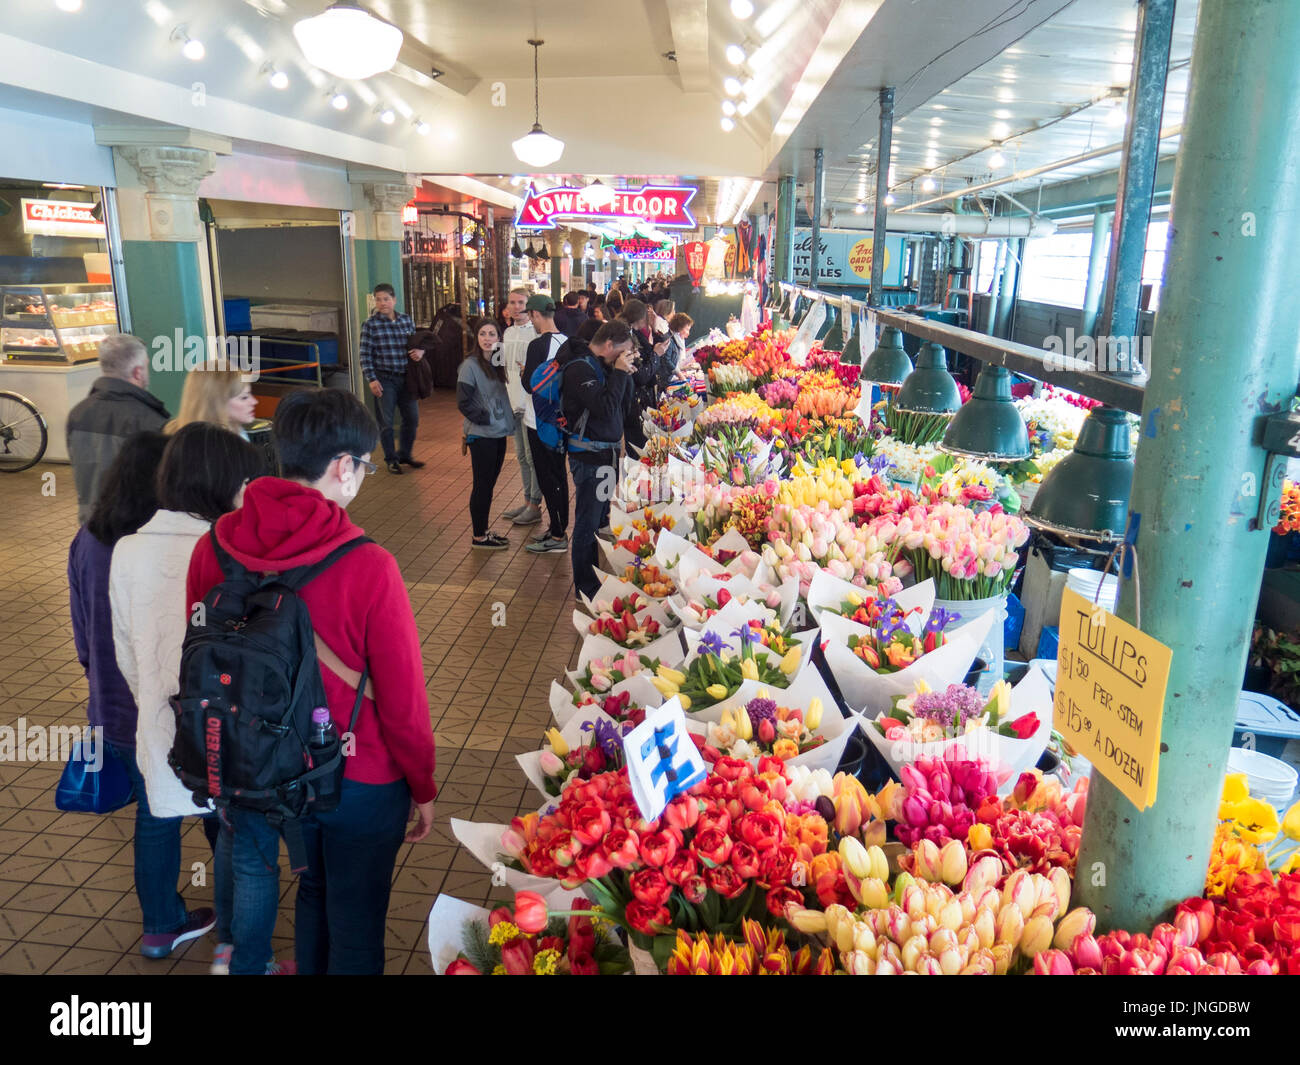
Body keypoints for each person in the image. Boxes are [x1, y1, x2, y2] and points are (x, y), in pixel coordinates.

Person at [186, 388, 437, 976]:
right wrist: (421, 785)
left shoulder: (213, 546)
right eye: (364, 466)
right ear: (341, 466)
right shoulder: (369, 564)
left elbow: (201, 653)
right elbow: (403, 700)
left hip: (258, 764)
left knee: (310, 890)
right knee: (353, 917)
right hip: (359, 775)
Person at [110, 423, 264, 974]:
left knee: (157, 814)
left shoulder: (126, 550)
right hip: (225, 720)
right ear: (222, 481)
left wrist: (151, 695)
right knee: (231, 828)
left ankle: (158, 929)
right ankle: (231, 943)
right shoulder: (228, 549)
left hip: (156, 715)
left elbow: (124, 643)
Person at [69, 431, 219, 959]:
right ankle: (241, 914)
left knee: (155, 817)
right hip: (173, 713)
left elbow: (84, 637)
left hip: (110, 709)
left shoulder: (89, 539)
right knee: (217, 811)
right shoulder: (173, 546)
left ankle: (160, 925)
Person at [559, 320, 634, 600]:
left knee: (598, 520)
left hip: (607, 455)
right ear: (609, 345)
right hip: (589, 457)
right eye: (623, 351)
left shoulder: (604, 366)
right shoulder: (580, 368)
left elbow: (621, 409)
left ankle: (592, 581)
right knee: (587, 522)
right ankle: (585, 588)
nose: (623, 357)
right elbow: (603, 409)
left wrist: (625, 375)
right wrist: (618, 374)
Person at [67, 334, 170, 524]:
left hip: (91, 524)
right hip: (135, 527)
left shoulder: (77, 413)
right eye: (147, 365)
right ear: (138, 372)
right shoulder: (151, 420)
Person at [457, 318, 517, 549]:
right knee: (482, 486)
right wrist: (487, 418)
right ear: (476, 337)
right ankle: (479, 536)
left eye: (492, 334)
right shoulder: (469, 366)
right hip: (482, 435)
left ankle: (483, 531)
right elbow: (463, 402)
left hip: (498, 433)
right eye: (483, 334)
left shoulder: (497, 362)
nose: (487, 338)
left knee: (488, 485)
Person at [520, 297, 570, 554]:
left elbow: (529, 384)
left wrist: (522, 373)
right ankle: (556, 527)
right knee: (558, 475)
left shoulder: (538, 345)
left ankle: (559, 536)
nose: (532, 322)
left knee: (548, 478)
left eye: (531, 317)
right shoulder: (568, 342)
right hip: (561, 422)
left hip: (538, 422)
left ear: (536, 314)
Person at [359, 282, 425, 475]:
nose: (382, 303)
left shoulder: (406, 321)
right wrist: (371, 379)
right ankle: (391, 459)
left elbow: (417, 344)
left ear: (394, 300)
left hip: (406, 379)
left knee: (412, 418)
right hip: (384, 378)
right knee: (386, 421)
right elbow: (365, 355)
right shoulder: (370, 325)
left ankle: (405, 453)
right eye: (378, 299)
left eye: (386, 299)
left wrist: (421, 352)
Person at [500, 288, 543, 527]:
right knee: (521, 456)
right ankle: (527, 500)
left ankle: (535, 504)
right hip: (512, 401)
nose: (516, 307)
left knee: (531, 455)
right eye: (512, 302)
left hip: (530, 404)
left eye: (521, 303)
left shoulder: (535, 335)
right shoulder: (507, 333)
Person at [618, 299, 669, 453]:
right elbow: (640, 376)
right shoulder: (625, 337)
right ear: (641, 318)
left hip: (641, 400)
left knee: (645, 446)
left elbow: (657, 350)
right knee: (639, 449)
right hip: (634, 403)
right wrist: (655, 355)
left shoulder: (635, 333)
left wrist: (655, 330)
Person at [164, 363, 258, 439]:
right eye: (244, 397)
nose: (254, 402)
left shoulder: (237, 432)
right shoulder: (208, 448)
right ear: (217, 403)